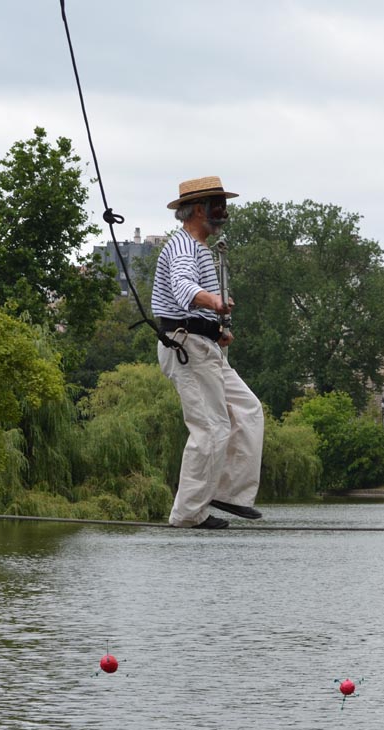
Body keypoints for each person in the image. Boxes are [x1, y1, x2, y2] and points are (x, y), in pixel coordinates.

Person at [151, 176, 264, 529]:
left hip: (203, 344)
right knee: (211, 427)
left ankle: (228, 494)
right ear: (199, 210)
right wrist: (213, 301)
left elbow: (192, 300)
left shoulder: (198, 247)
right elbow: (183, 287)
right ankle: (188, 514)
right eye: (218, 206)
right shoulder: (184, 247)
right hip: (186, 346)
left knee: (247, 410)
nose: (224, 212)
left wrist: (217, 330)